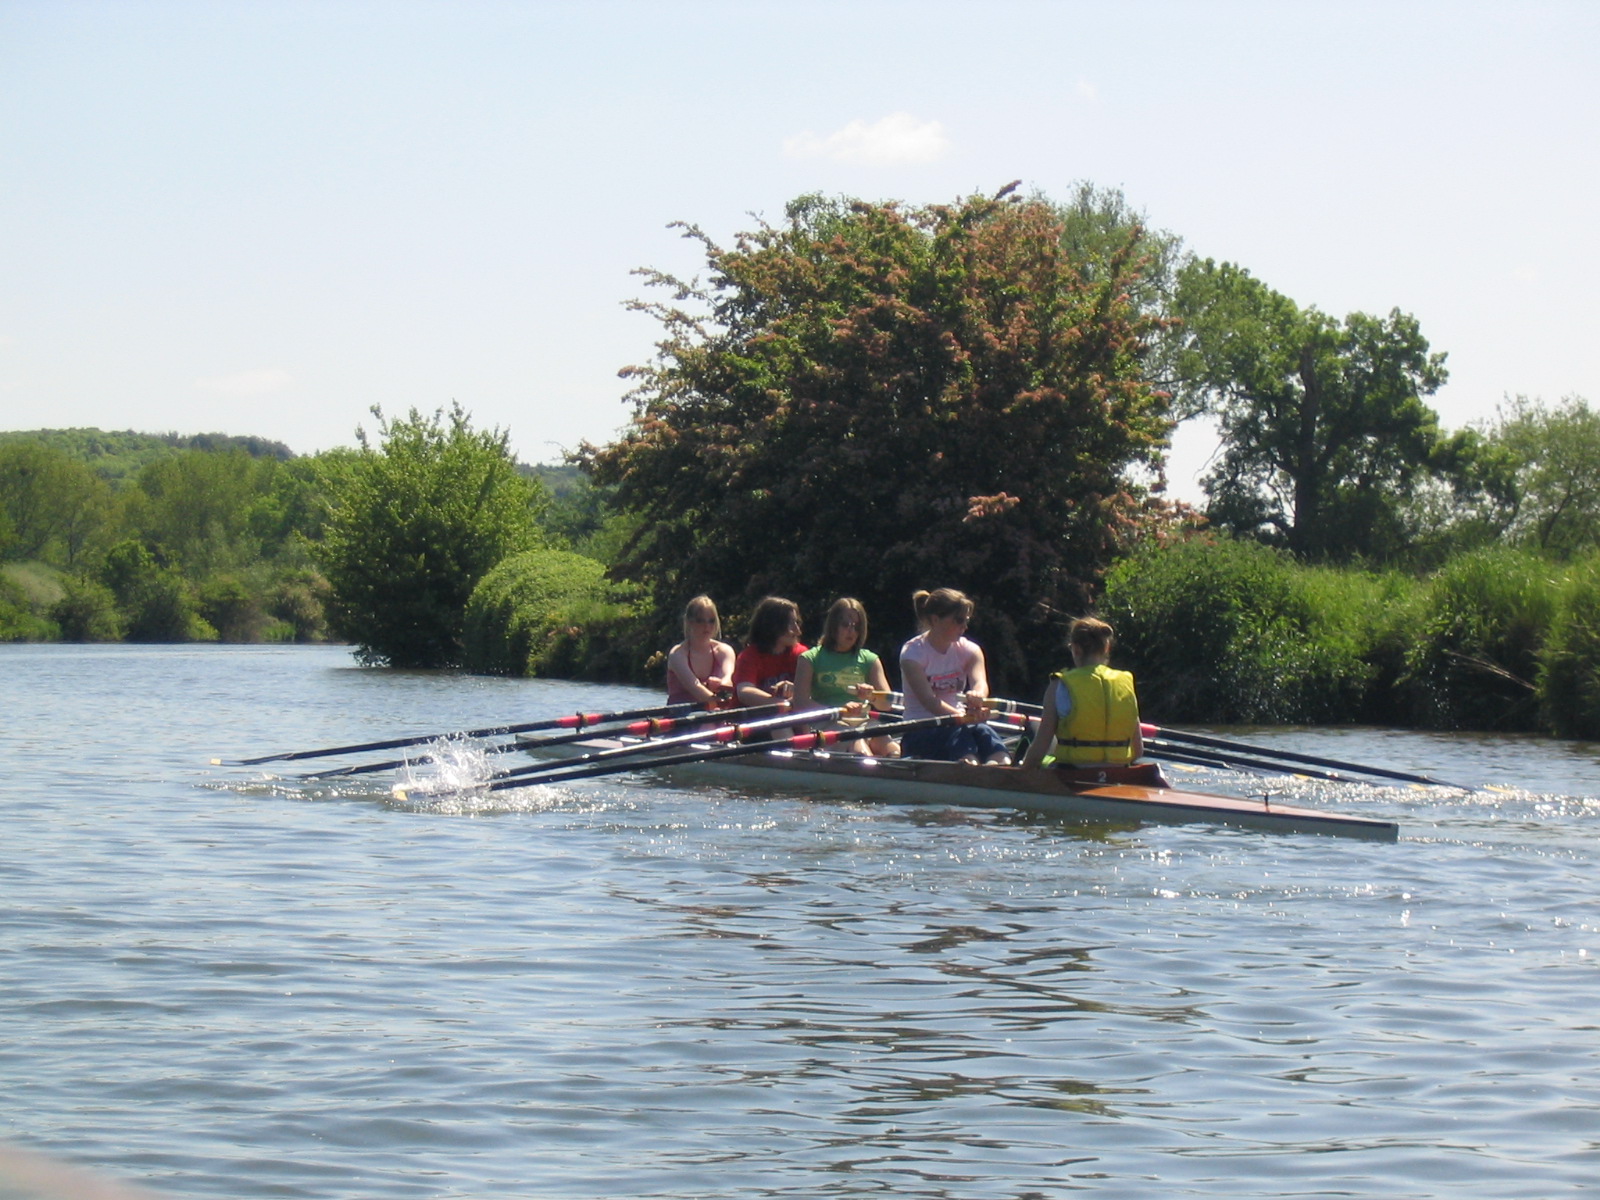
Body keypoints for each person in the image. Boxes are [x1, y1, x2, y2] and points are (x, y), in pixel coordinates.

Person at [897, 588, 1011, 764]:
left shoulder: (969, 650)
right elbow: (930, 701)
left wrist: (978, 696)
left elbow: (980, 683)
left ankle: (1001, 767)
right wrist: (962, 717)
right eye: (958, 621)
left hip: (959, 724)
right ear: (935, 620)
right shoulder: (912, 654)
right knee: (961, 734)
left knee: (984, 731)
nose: (964, 627)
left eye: (966, 621)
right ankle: (969, 767)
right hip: (920, 730)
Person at [1019, 616, 1145, 770]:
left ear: (1076, 649)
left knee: (1032, 733)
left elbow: (1040, 749)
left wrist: (1020, 774)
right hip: (1118, 772)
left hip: (1072, 773)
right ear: (1107, 648)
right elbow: (1138, 750)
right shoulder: (1125, 682)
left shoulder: (1060, 684)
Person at [794, 597, 897, 755]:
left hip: (863, 722)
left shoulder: (870, 659)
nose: (852, 631)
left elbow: (887, 704)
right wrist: (838, 710)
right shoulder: (809, 658)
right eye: (846, 625)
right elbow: (800, 702)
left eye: (857, 627)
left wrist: (872, 696)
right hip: (827, 723)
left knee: (894, 751)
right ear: (833, 627)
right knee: (861, 751)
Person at [732, 596, 807, 706]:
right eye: (790, 624)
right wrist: (784, 704)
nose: (797, 631)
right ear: (773, 626)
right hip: (751, 720)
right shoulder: (749, 657)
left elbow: (818, 688)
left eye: (797, 623)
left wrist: (797, 690)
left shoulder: (801, 654)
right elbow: (745, 692)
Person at [665, 595, 736, 707]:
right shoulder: (677, 654)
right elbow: (695, 687)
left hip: (715, 713)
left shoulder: (725, 651)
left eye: (711, 621)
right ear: (689, 622)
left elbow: (729, 677)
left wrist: (721, 685)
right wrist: (717, 702)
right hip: (683, 716)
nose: (707, 626)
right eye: (700, 621)